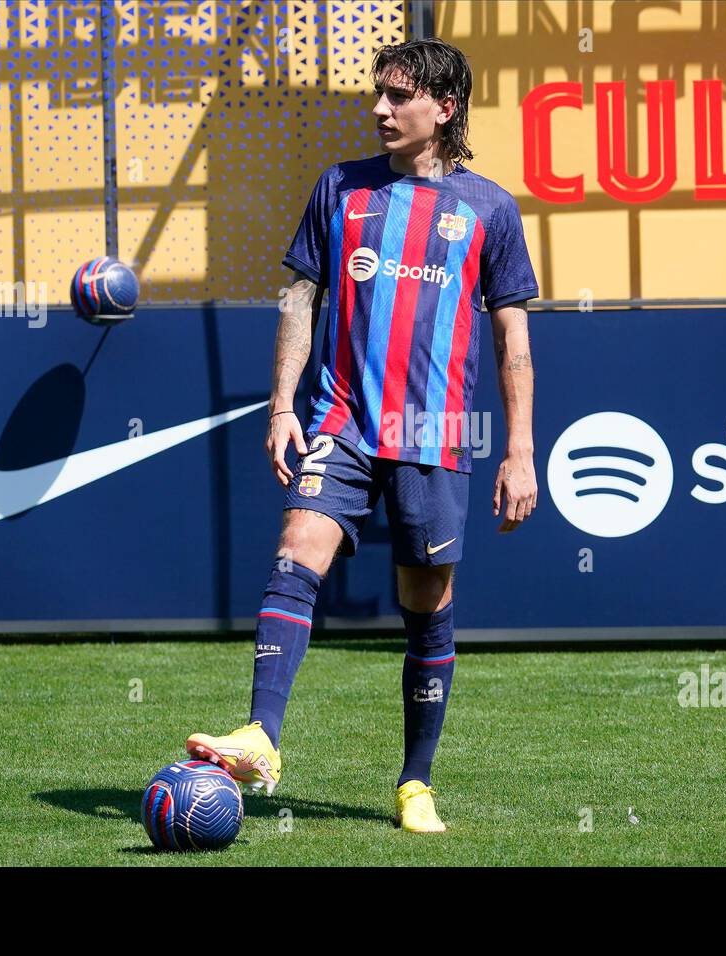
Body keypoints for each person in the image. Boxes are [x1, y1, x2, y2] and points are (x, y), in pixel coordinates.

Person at [186, 36, 539, 833]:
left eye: (398, 96)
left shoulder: (489, 208)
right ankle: (261, 739)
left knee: (427, 606)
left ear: (443, 109)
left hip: (434, 437)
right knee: (296, 551)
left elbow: (513, 341)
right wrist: (284, 406)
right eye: (378, 93)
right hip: (340, 420)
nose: (379, 108)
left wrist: (519, 452)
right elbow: (297, 302)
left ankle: (415, 783)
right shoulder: (340, 189)